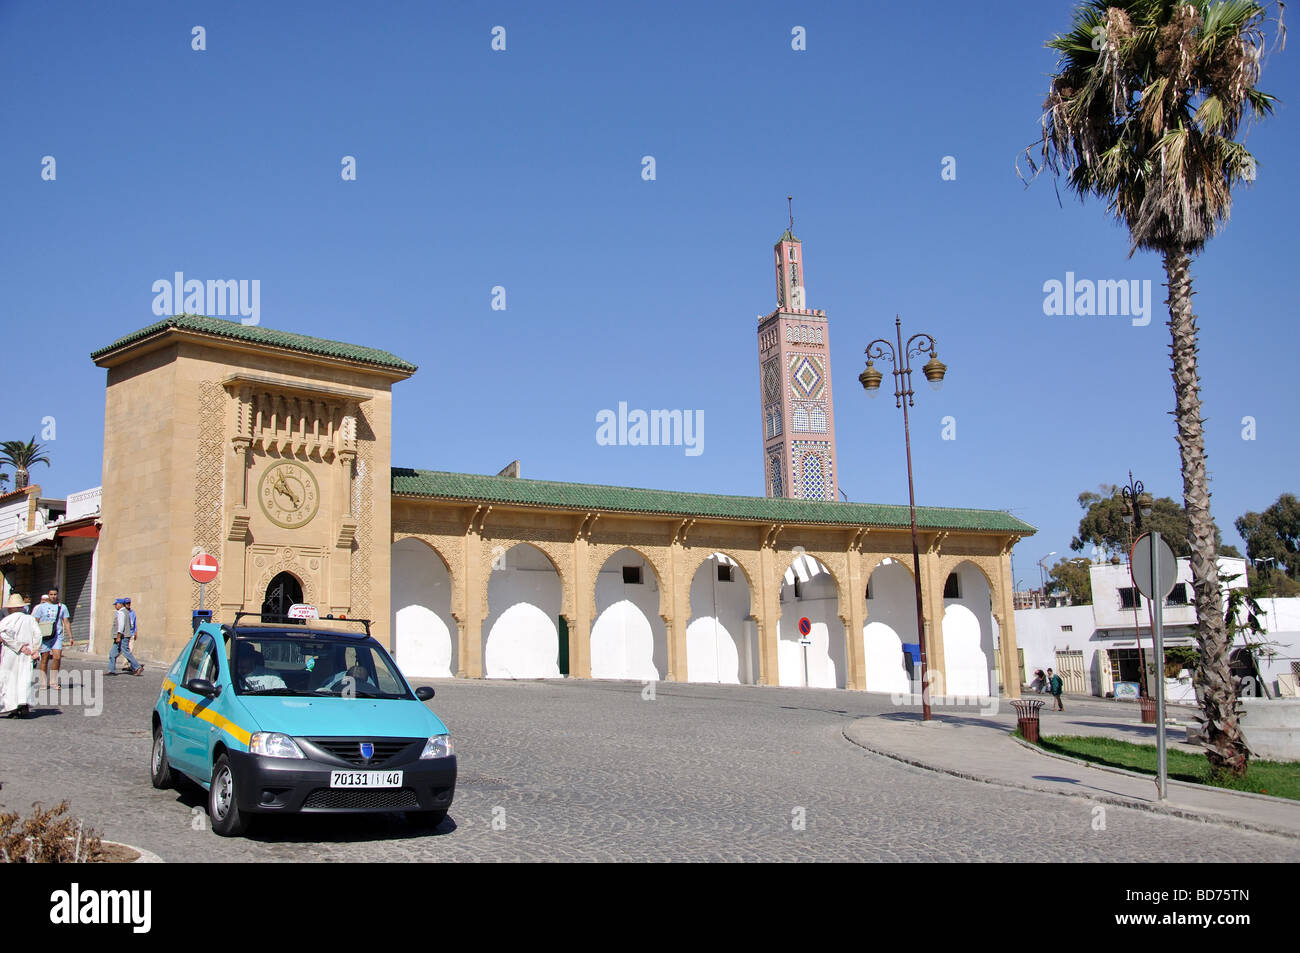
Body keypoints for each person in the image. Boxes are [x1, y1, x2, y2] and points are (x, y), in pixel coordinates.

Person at [0, 593, 42, 717]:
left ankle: (12, 708)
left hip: (10, 654)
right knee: (24, 679)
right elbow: (38, 635)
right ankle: (23, 705)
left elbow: (3, 635)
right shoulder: (30, 619)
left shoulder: (6, 620)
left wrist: (18, 646)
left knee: (10, 680)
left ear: (11, 608)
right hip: (26, 655)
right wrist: (35, 649)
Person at [32, 586, 72, 692]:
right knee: (44, 659)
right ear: (48, 595)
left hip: (57, 636)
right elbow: (35, 621)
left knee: (57, 657)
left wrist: (70, 636)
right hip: (45, 635)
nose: (53, 596)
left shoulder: (62, 607)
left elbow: (66, 622)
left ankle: (53, 681)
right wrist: (34, 636)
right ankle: (43, 682)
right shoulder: (41, 607)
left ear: (57, 595)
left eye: (55, 594)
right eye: (51, 594)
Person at [107, 597, 143, 676]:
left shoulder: (121, 612)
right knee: (113, 653)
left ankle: (137, 667)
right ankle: (111, 670)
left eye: (116, 604)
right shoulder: (126, 612)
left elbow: (121, 625)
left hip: (122, 637)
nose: (115, 606)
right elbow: (130, 624)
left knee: (126, 652)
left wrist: (119, 636)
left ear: (120, 604)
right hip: (123, 636)